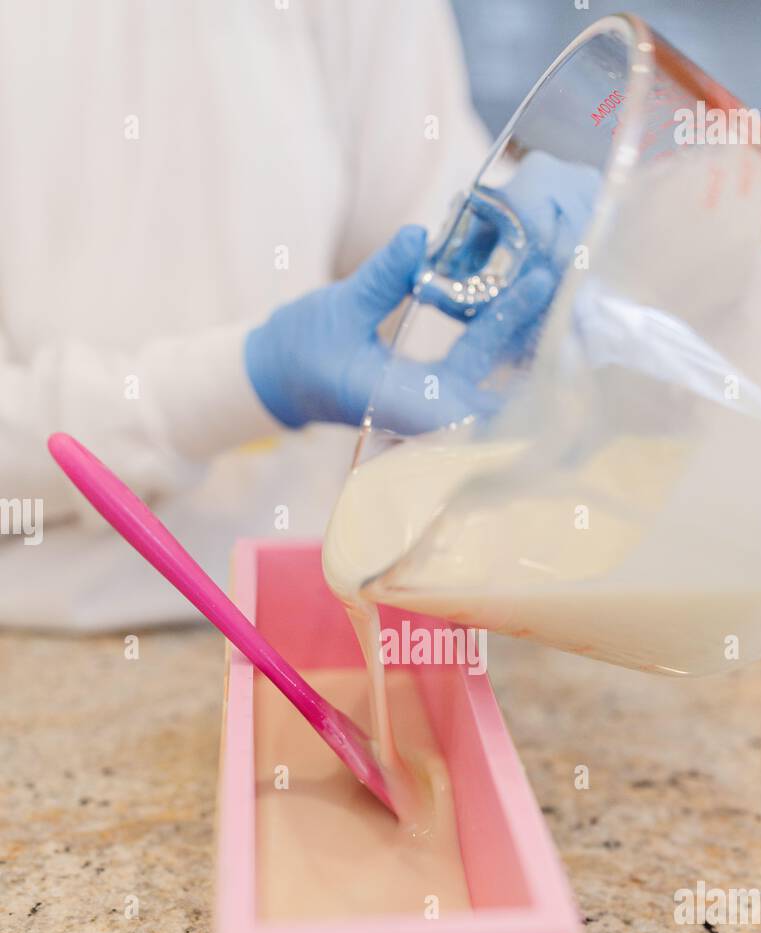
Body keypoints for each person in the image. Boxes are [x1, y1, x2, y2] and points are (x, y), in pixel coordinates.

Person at [0, 0, 490, 628]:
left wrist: (509, 261)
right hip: (37, 642)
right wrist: (232, 387)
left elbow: (428, 227)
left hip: (324, 609)